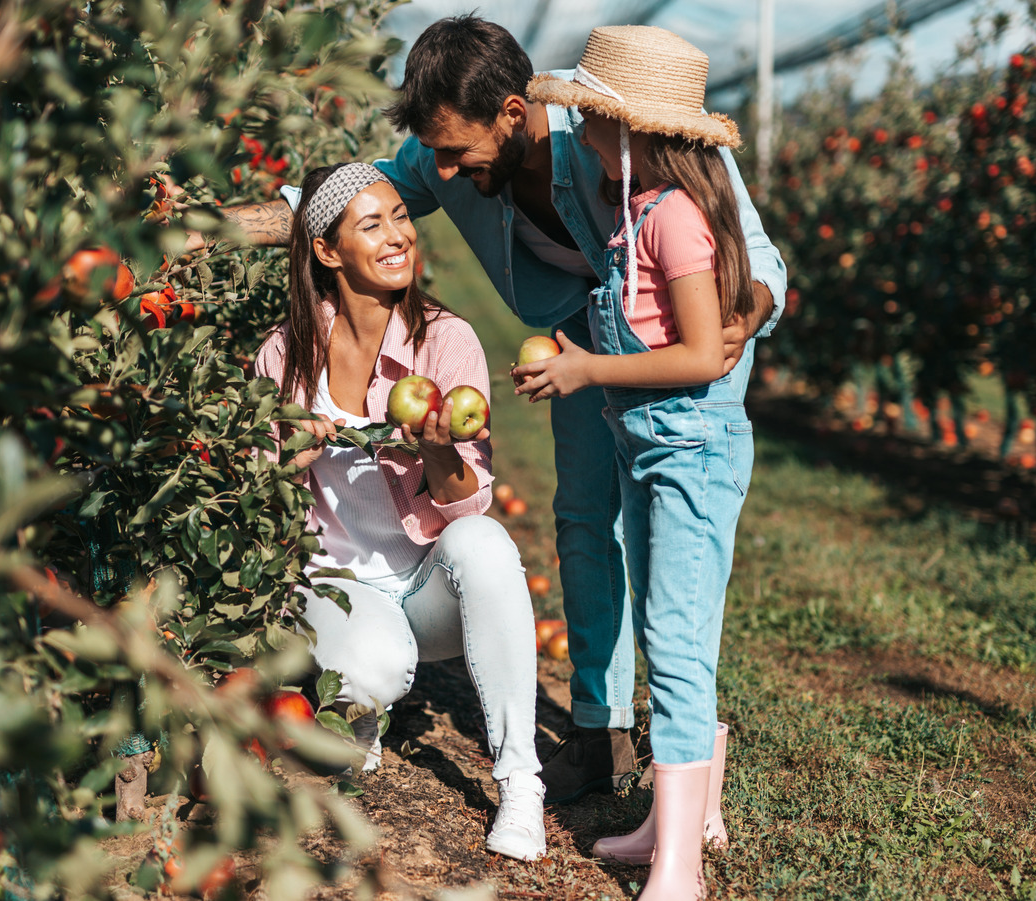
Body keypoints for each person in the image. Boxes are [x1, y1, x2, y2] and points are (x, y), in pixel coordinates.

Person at [201, 15, 787, 805]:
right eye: (432, 154)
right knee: (584, 519)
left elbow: (760, 263)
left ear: (513, 115)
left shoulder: (631, 128)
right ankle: (598, 725)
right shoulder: (438, 161)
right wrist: (205, 231)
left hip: (678, 355)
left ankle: (685, 768)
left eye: (455, 152)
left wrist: (724, 336)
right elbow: (339, 200)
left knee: (671, 562)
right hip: (581, 338)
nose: (439, 172)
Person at [511, 26, 753, 899]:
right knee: (666, 634)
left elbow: (698, 355)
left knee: (680, 651)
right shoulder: (638, 209)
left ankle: (680, 867)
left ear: (636, 133)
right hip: (650, 448)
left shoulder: (677, 219)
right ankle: (672, 818)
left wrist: (586, 368)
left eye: (594, 122)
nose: (582, 135)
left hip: (689, 452)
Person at [253, 162, 545, 861]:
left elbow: (467, 498)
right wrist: (291, 454)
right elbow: (254, 503)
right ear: (328, 251)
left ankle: (521, 781)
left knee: (486, 540)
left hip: (428, 585)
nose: (397, 236)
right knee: (376, 667)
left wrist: (439, 451)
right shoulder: (284, 355)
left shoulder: (447, 342)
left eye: (401, 217)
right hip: (338, 580)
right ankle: (365, 708)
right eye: (372, 223)